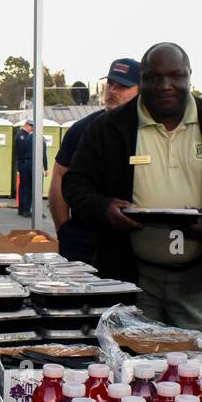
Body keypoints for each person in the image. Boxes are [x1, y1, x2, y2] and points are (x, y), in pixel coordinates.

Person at [61, 43, 202, 340]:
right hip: (132, 277)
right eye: (154, 77)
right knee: (132, 367)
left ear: (189, 76)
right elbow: (74, 184)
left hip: (194, 280)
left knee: (196, 365)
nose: (165, 86)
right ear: (142, 79)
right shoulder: (109, 128)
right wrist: (104, 208)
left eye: (175, 76)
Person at [50, 58, 140, 261]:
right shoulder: (81, 129)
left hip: (134, 239)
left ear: (141, 90)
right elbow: (59, 177)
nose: (112, 90)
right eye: (110, 83)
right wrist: (64, 230)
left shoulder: (149, 132)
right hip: (85, 240)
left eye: (122, 86)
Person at [13, 119, 48, 216]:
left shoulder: (27, 138)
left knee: (26, 187)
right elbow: (43, 155)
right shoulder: (39, 139)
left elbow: (22, 152)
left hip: (25, 164)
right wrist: (46, 168)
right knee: (36, 188)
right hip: (35, 164)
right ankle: (33, 211)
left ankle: (24, 209)